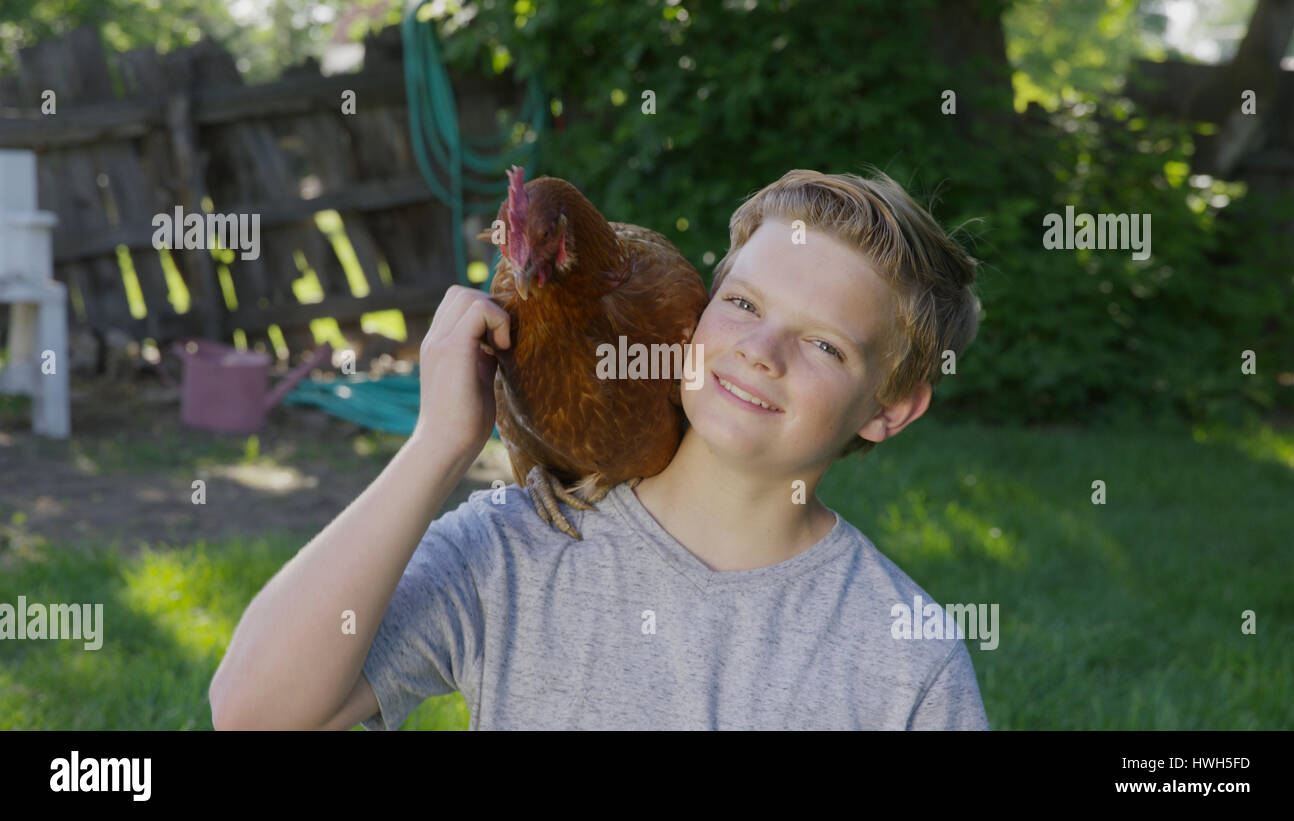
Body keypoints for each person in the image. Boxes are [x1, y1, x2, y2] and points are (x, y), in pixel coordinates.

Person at [208, 167, 989, 730]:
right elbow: (253, 712)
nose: (760, 349)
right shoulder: (517, 551)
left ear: (889, 409)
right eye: (744, 303)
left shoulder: (902, 654)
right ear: (700, 309)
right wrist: (437, 446)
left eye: (824, 345)